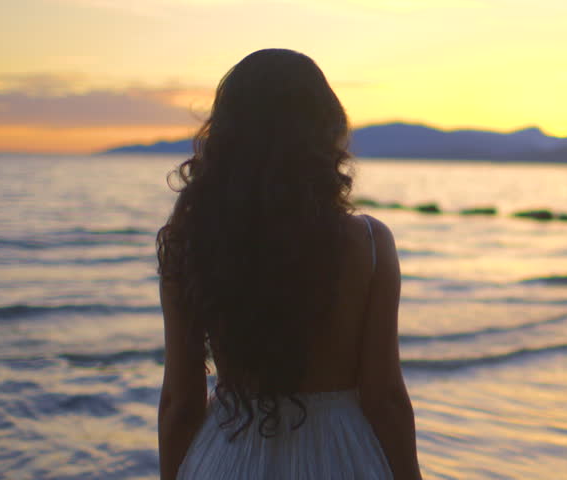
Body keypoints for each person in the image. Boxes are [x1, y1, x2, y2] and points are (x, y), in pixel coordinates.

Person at [156, 48, 422, 480]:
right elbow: (385, 398)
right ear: (325, 132)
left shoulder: (190, 243)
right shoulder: (369, 244)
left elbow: (180, 403)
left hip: (227, 456)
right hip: (341, 457)